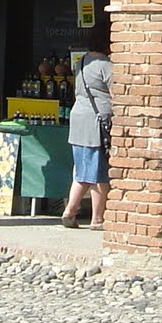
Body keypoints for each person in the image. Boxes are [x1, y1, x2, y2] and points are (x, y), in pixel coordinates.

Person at [62, 18, 113, 230]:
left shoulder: (82, 61)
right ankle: (93, 217)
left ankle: (72, 211)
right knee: (98, 172)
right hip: (97, 122)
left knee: (82, 168)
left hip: (78, 118)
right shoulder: (106, 66)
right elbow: (119, 94)